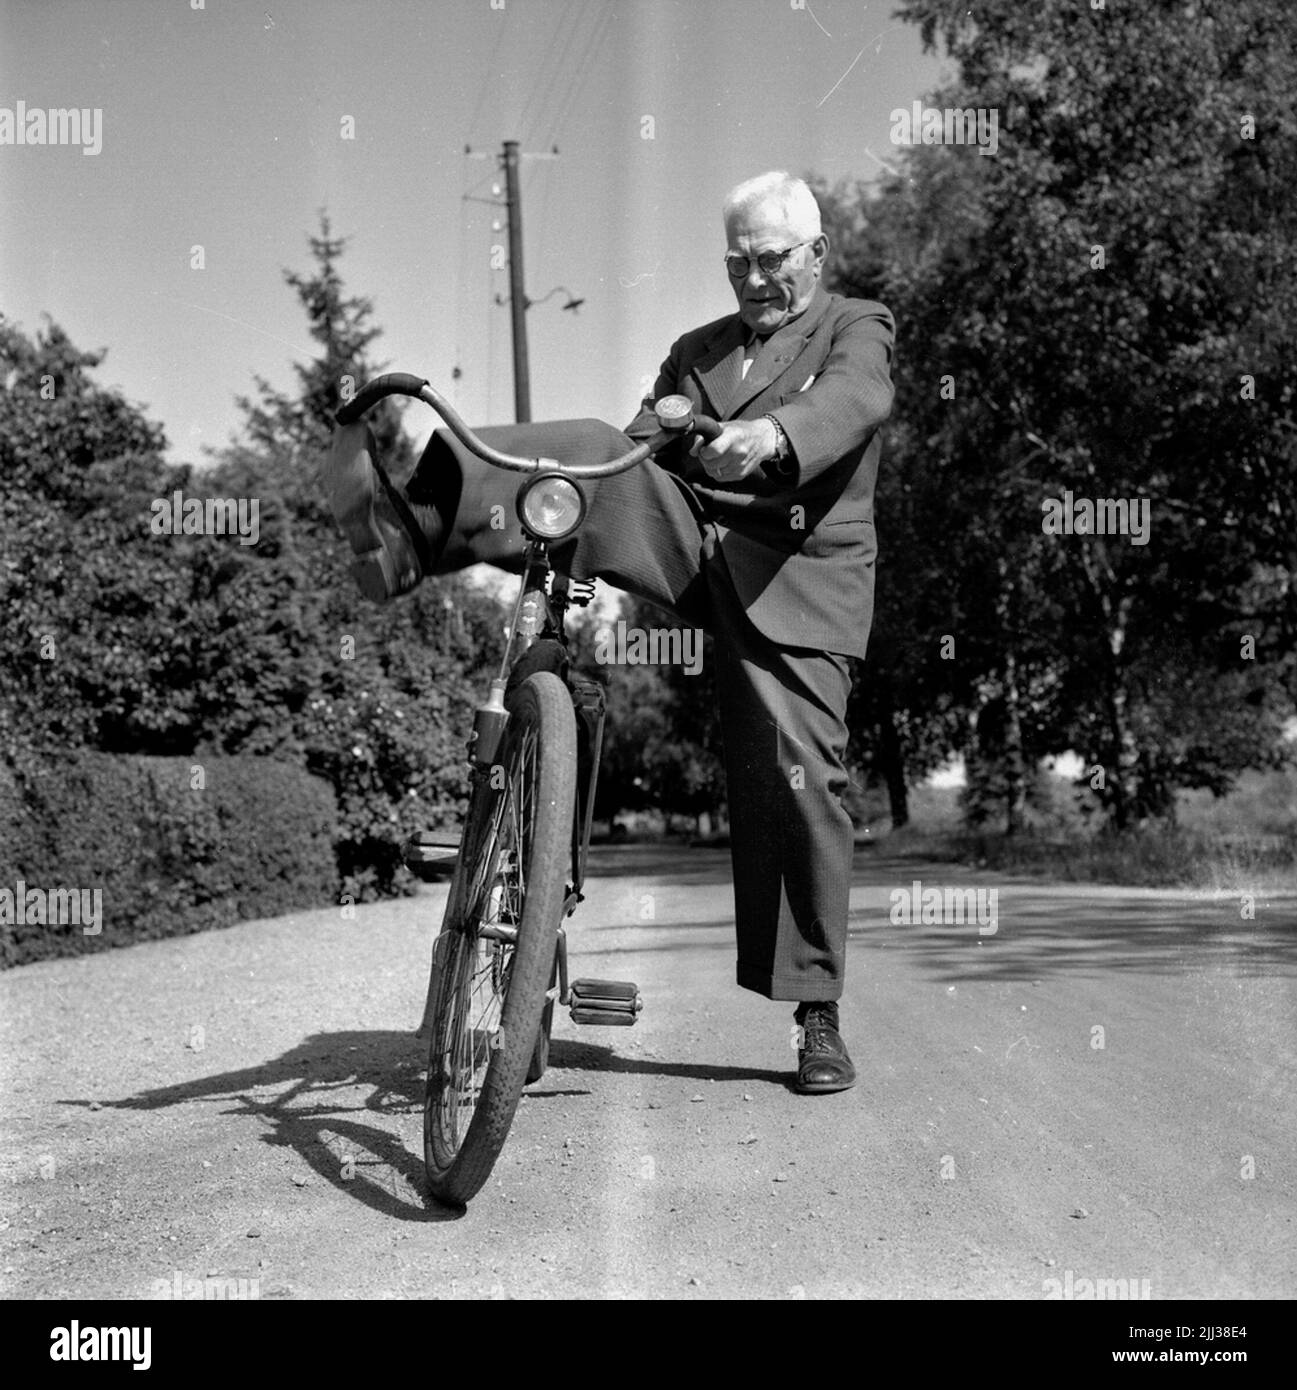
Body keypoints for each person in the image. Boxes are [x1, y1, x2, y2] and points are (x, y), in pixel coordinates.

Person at [323, 171, 894, 1094]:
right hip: (693, 540)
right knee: (585, 447)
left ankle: (815, 1015)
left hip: (797, 575)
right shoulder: (696, 350)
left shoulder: (853, 325)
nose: (753, 279)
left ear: (816, 255)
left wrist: (776, 437)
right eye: (737, 262)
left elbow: (857, 399)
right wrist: (578, 511)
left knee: (798, 777)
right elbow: (633, 449)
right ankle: (412, 531)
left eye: (772, 260)